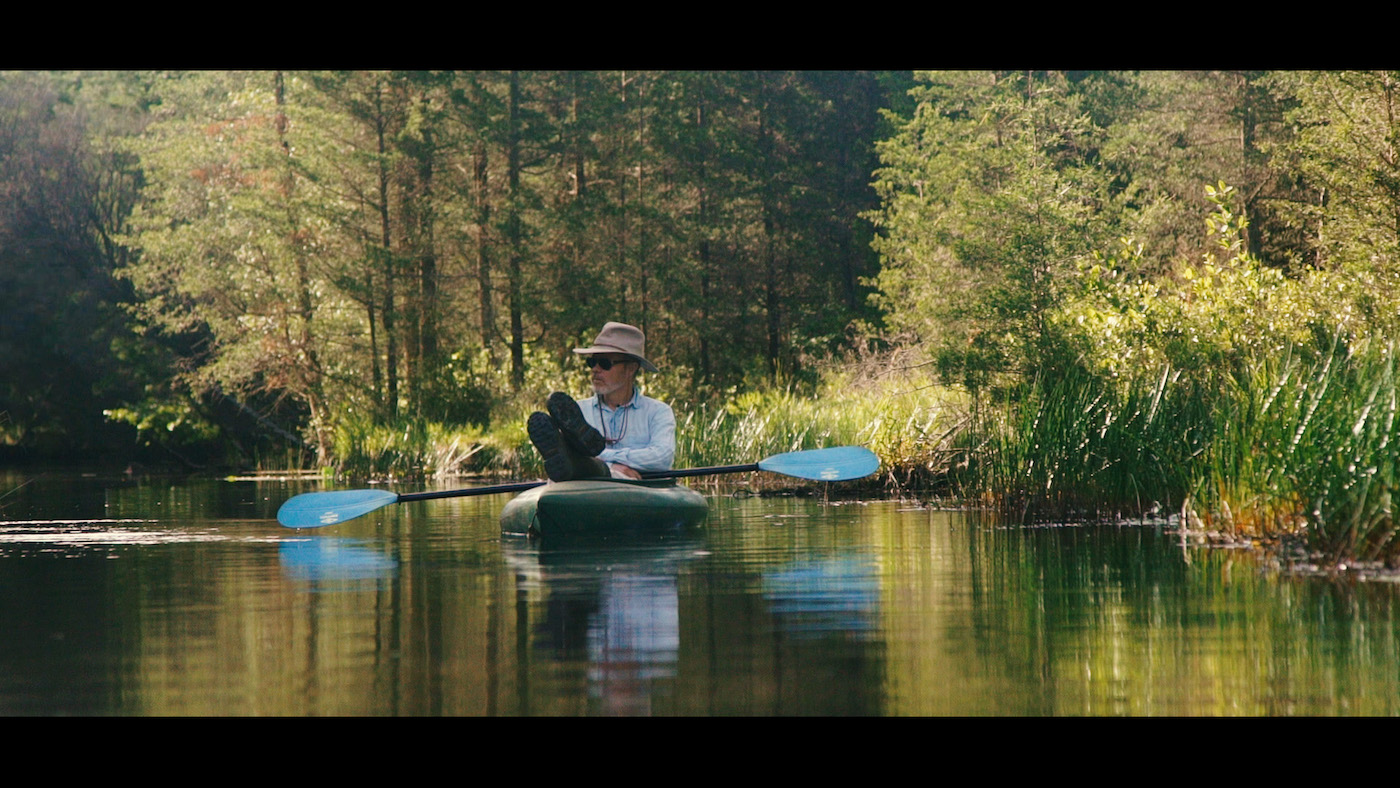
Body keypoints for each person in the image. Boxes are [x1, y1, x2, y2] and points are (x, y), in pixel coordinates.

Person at [527, 321, 676, 482]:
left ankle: (592, 465)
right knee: (571, 467)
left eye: (605, 363)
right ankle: (593, 466)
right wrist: (614, 466)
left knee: (584, 466)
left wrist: (604, 456)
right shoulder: (578, 411)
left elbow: (663, 457)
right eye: (592, 362)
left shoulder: (658, 411)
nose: (595, 369)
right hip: (583, 491)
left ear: (631, 368)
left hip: (639, 494)